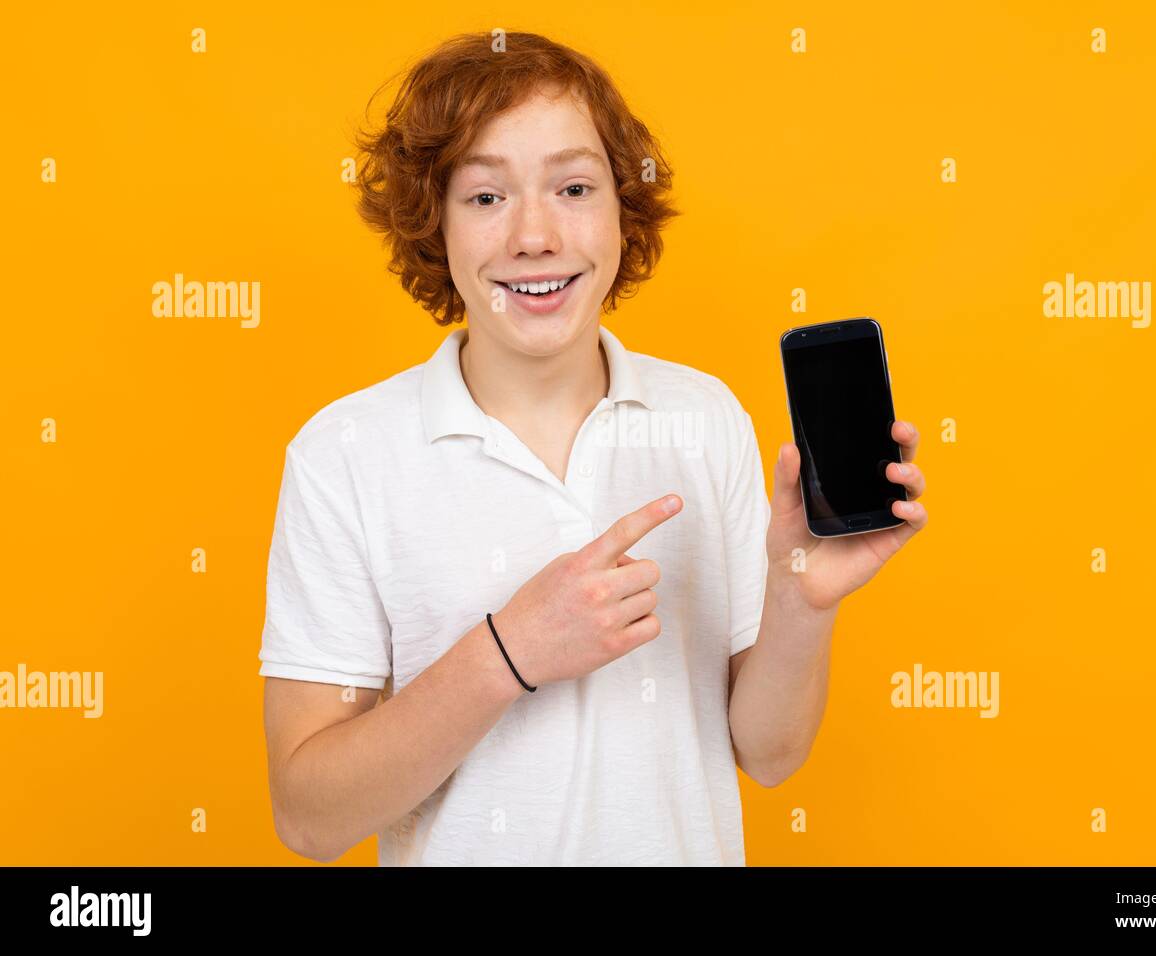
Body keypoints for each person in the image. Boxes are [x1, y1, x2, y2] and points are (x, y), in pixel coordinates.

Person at [257, 30, 928, 866]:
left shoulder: (703, 416)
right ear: (435, 224)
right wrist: (509, 653)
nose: (535, 237)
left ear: (622, 210)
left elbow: (769, 753)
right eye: (485, 197)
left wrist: (802, 599)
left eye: (573, 187)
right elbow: (309, 819)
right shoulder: (344, 455)